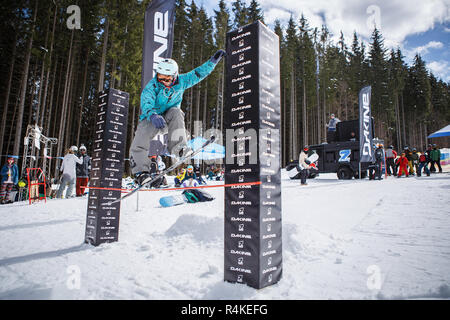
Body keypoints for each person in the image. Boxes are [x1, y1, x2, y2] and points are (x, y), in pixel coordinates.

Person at [129, 50, 226, 185]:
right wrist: (152, 115)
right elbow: (146, 101)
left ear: (175, 76)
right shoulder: (152, 86)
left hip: (169, 119)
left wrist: (212, 62)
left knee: (176, 111)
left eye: (167, 79)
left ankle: (179, 148)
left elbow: (198, 74)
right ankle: (140, 172)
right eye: (161, 77)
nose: (164, 81)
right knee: (141, 135)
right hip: (152, 119)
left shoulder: (182, 81)